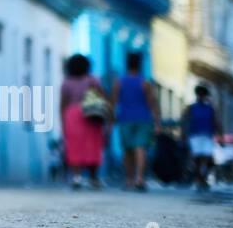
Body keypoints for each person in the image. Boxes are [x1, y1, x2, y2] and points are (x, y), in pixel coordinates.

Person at [111, 51, 160, 191]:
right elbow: (152, 103)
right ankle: (140, 177)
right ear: (140, 65)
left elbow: (113, 102)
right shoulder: (145, 82)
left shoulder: (119, 82)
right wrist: (157, 122)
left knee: (127, 150)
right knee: (140, 148)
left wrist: (110, 121)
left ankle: (129, 179)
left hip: (125, 119)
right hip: (143, 119)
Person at [59, 53, 105, 189]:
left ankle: (76, 176)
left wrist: (62, 121)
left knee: (75, 146)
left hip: (72, 115)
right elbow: (101, 97)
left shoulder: (66, 82)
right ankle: (93, 177)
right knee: (92, 145)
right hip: (90, 113)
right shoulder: (93, 80)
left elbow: (63, 104)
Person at [181, 85, 220, 190]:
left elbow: (216, 121)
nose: (201, 96)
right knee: (197, 159)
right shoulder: (191, 107)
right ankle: (199, 179)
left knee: (207, 158)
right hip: (195, 135)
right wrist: (183, 133)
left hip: (207, 135)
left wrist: (220, 134)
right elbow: (184, 120)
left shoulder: (211, 108)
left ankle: (203, 178)